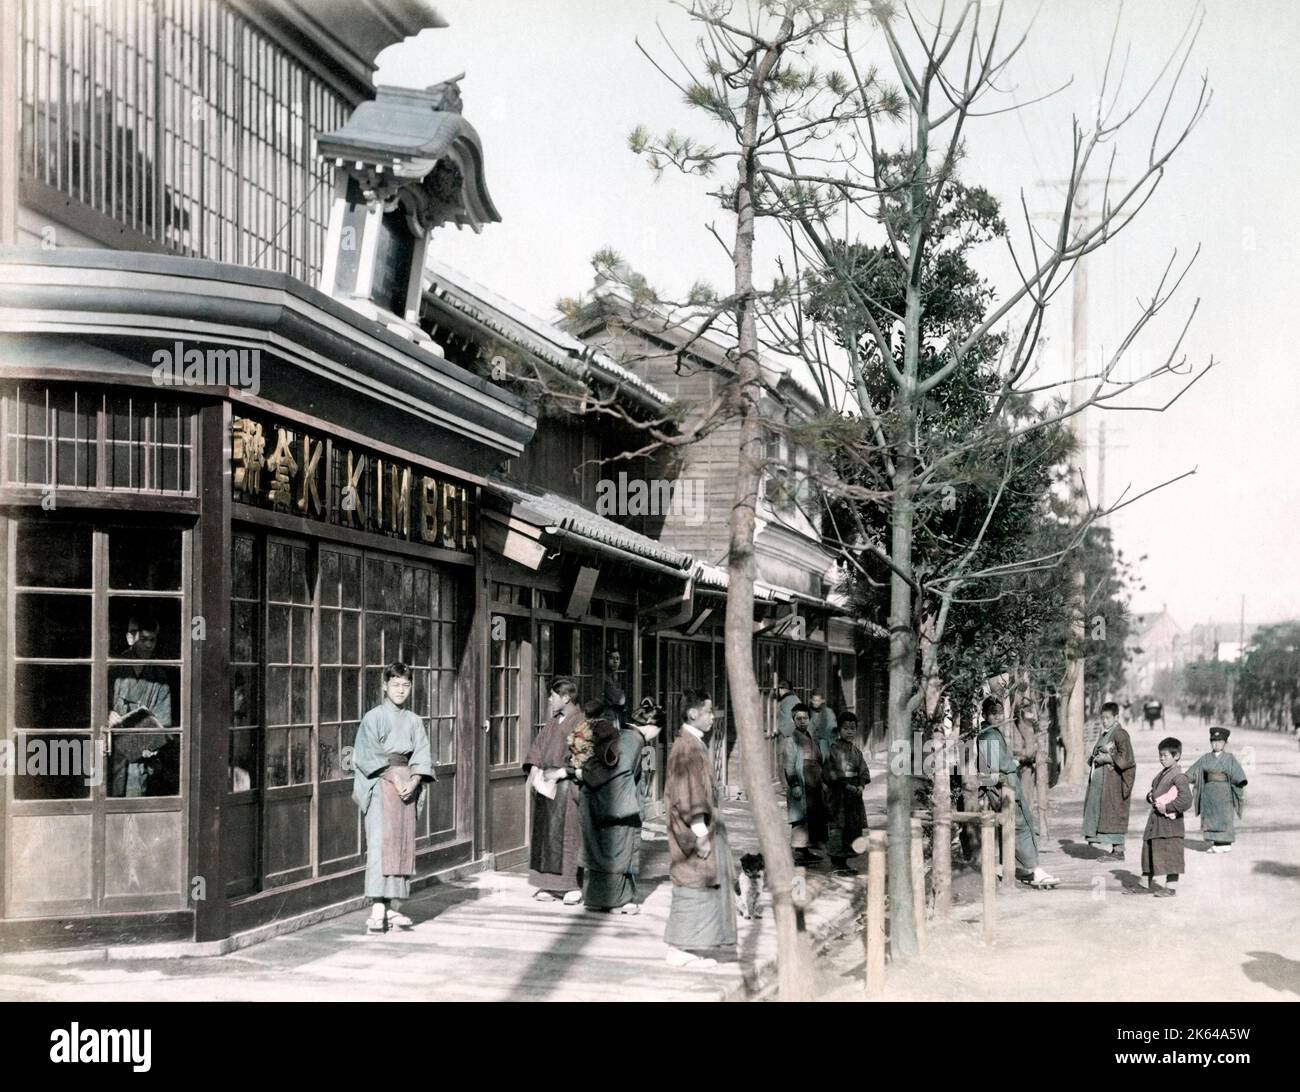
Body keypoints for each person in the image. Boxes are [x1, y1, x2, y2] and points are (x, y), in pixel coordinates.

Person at [352, 662, 436, 933]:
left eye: (406, 685)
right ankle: (378, 907)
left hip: (406, 787)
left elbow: (421, 755)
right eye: (396, 684)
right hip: (380, 784)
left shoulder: (414, 721)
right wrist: (395, 777)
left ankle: (393, 908)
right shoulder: (373, 717)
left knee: (401, 843)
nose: (401, 690)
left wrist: (413, 780)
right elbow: (367, 756)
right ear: (385, 686)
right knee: (380, 843)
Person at [664, 688, 737, 968]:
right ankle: (681, 948)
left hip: (700, 826)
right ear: (693, 714)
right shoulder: (687, 748)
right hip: (693, 830)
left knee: (703, 883)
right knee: (693, 882)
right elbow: (689, 794)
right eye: (707, 711)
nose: (712, 716)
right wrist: (700, 834)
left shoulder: (693, 743)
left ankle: (691, 946)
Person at [579, 699, 660, 912]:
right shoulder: (633, 741)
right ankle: (617, 902)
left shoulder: (624, 736)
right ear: (651, 727)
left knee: (602, 851)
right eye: (657, 731)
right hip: (615, 805)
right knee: (618, 851)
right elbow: (620, 774)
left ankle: (597, 900)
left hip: (599, 800)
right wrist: (628, 808)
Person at [977, 696, 1059, 889]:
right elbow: (995, 764)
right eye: (993, 713)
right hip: (1001, 787)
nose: (997, 717)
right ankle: (1034, 868)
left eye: (999, 713)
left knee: (1019, 823)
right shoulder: (988, 735)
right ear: (985, 715)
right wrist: (1012, 762)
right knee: (1019, 825)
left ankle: (1020, 867)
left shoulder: (993, 732)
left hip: (1007, 784)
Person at [522, 678, 584, 905]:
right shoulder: (553, 722)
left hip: (567, 786)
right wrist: (535, 768)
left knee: (568, 836)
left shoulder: (581, 722)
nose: (550, 699)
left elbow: (582, 758)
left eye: (553, 695)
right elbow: (537, 747)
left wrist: (561, 772)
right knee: (545, 837)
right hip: (545, 785)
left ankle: (572, 886)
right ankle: (547, 884)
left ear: (566, 698)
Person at [107, 613, 176, 798]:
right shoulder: (111, 668)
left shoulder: (159, 676)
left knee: (135, 799)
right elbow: (91, 702)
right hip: (110, 750)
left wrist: (153, 744)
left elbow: (163, 721)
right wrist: (106, 713)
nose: (149, 645)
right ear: (130, 638)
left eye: (153, 640)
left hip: (141, 755)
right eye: (144, 639)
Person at [1082, 700, 1136, 859]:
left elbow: (1126, 759)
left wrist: (1107, 758)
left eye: (1108, 718)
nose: (1104, 721)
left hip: (1113, 782)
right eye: (1103, 718)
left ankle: (1119, 851)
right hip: (1103, 782)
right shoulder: (1106, 733)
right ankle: (1114, 850)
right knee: (1105, 812)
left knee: (1113, 811)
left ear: (1116, 717)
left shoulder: (1120, 734)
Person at [1141, 737, 1193, 897]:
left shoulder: (1179, 776)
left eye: (1165, 755)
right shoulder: (1163, 773)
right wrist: (1150, 796)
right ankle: (1144, 885)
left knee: (1171, 854)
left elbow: (1186, 800)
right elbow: (1154, 790)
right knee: (1149, 850)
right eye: (1160, 755)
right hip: (1156, 821)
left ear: (1176, 756)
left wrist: (1168, 807)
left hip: (1170, 824)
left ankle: (1170, 888)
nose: (1161, 758)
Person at [1186, 727, 1248, 853]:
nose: (1216, 744)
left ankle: (1225, 843)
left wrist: (1240, 781)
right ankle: (1215, 843)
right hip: (1208, 794)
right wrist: (1184, 778)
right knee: (1210, 816)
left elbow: (1237, 773)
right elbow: (1193, 771)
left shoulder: (1230, 758)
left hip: (1224, 793)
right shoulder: (1205, 758)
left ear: (1225, 743)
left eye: (1220, 741)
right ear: (1210, 742)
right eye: (1214, 741)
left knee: (1224, 816)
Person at [781, 703, 827, 864]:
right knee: (800, 818)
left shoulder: (812, 738)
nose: (802, 721)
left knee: (813, 817)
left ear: (809, 719)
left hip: (814, 783)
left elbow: (820, 760)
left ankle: (806, 850)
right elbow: (789, 765)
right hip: (801, 783)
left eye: (805, 718)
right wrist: (794, 785)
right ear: (793, 720)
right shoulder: (791, 740)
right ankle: (799, 852)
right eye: (798, 718)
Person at [823, 712, 869, 874]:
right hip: (838, 794)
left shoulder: (857, 752)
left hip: (854, 794)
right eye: (846, 728)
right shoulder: (834, 750)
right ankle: (836, 861)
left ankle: (844, 862)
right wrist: (846, 785)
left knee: (851, 826)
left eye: (852, 728)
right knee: (838, 826)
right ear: (839, 730)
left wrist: (861, 785)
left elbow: (863, 771)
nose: (849, 732)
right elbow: (831, 773)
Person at [1010, 702, 1041, 817]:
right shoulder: (1016, 726)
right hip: (1018, 765)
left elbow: (1031, 752)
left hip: (1027, 766)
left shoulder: (1030, 728)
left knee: (1027, 796)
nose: (1030, 715)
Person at [808, 690, 838, 762]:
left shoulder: (828, 712)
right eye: (814, 700)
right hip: (811, 745)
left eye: (818, 700)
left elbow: (833, 730)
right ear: (811, 700)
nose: (815, 702)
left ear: (822, 701)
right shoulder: (808, 712)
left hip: (824, 746)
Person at [602, 649, 628, 730]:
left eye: (617, 658)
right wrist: (621, 694)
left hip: (615, 716)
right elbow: (617, 699)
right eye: (612, 658)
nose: (615, 661)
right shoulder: (604, 677)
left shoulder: (615, 676)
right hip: (606, 717)